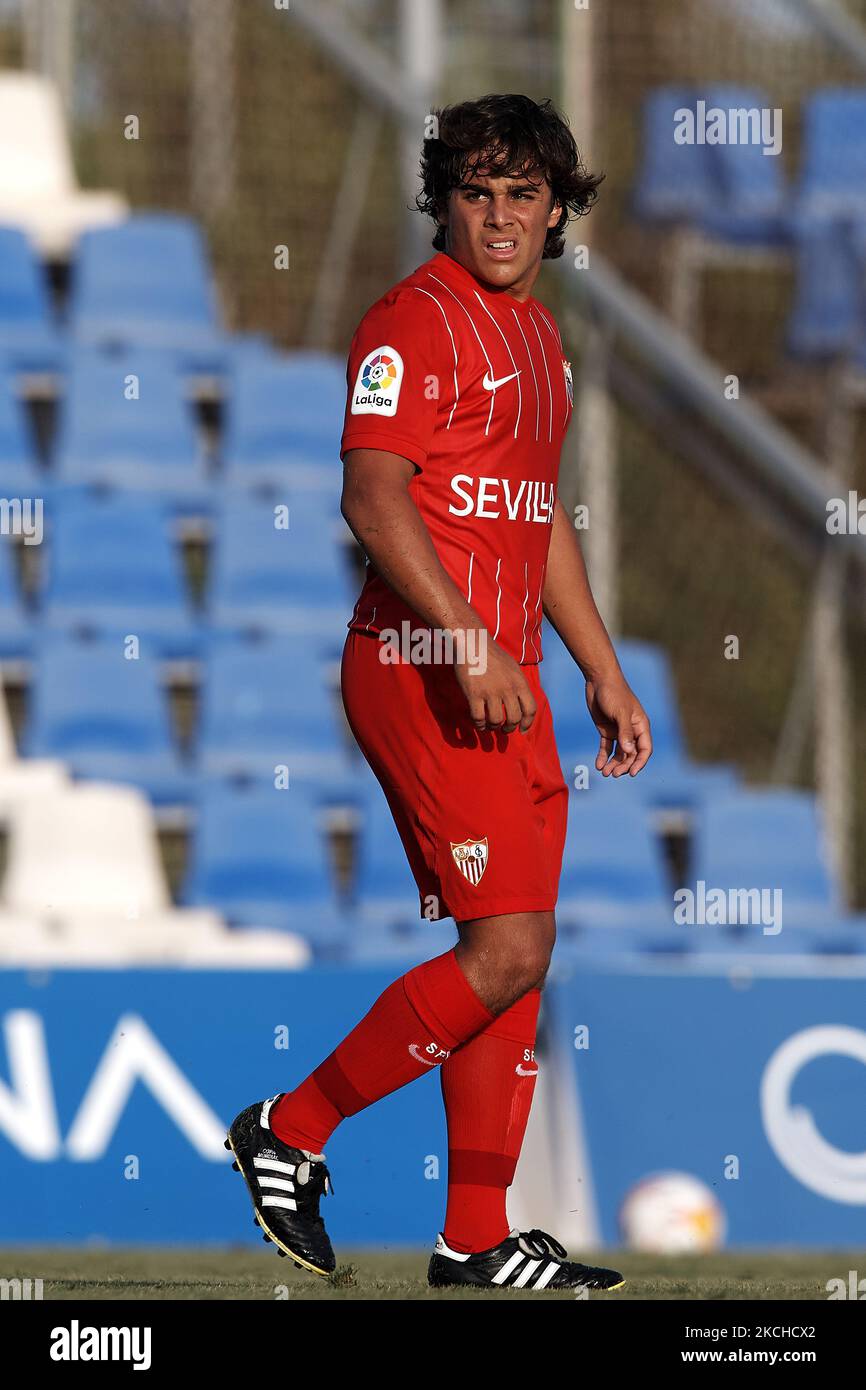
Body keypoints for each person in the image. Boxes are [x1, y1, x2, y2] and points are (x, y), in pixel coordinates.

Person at [227, 93, 652, 1292]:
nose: (501, 214)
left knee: (516, 949)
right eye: (477, 191)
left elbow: (537, 518)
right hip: (425, 668)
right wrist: (463, 635)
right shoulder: (408, 324)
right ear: (443, 201)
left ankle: (473, 1238)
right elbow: (372, 496)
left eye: (524, 194)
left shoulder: (538, 339)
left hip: (507, 678)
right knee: (509, 944)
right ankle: (292, 1127)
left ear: (558, 208)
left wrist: (601, 669)